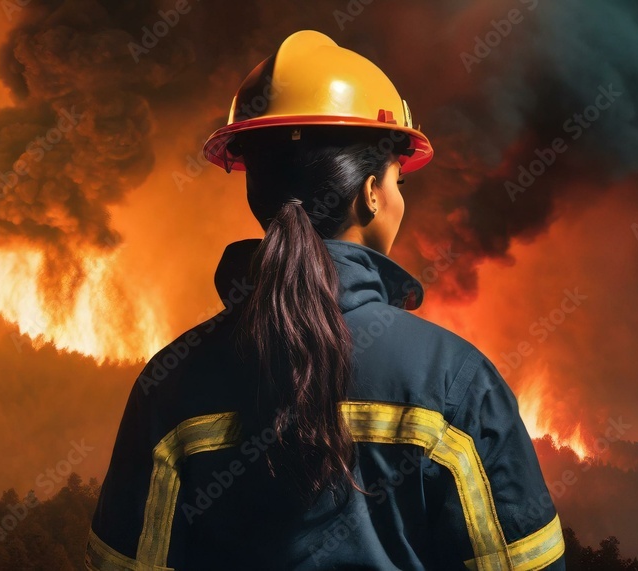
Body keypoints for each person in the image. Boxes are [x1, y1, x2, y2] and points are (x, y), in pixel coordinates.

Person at [86, 30, 564, 570]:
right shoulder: (457, 383)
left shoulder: (168, 385)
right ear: (369, 193)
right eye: (398, 178)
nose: (399, 197)